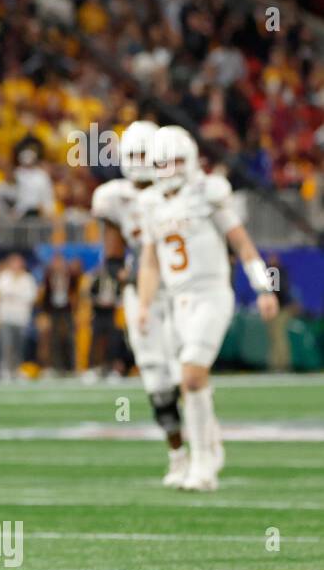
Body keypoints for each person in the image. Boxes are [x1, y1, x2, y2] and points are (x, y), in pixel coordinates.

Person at [136, 126, 279, 492]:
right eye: (161, 162)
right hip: (177, 302)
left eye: (173, 162)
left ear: (189, 161)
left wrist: (264, 287)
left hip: (212, 294)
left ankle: (203, 465)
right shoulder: (150, 203)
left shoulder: (207, 192)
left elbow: (243, 245)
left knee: (192, 377)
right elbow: (150, 262)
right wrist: (144, 304)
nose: (167, 169)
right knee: (189, 383)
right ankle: (209, 448)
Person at [91, 121, 187, 481]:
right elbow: (114, 257)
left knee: (184, 368)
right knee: (153, 371)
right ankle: (177, 453)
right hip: (143, 291)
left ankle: (203, 447)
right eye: (130, 155)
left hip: (180, 287)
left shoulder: (179, 191)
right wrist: (127, 275)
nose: (136, 163)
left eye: (142, 155)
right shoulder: (114, 197)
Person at [0, 253, 37, 381]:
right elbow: (1, 292)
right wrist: (17, 295)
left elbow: (30, 296)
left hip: (21, 318)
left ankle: (16, 370)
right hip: (5, 317)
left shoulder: (28, 278)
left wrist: (13, 295)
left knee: (19, 346)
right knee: (5, 345)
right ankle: (4, 370)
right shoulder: (3, 276)